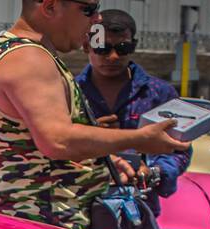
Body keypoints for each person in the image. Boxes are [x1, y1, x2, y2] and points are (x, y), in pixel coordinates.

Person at [0, 0, 187, 229]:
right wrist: (140, 138)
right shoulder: (28, 58)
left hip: (40, 227)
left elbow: (36, 142)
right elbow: (58, 140)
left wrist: (104, 160)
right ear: (50, 6)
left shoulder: (21, 52)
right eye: (88, 9)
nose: (97, 19)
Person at [76, 8, 190, 215]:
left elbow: (181, 148)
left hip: (139, 210)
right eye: (102, 48)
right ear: (86, 46)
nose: (112, 56)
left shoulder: (159, 93)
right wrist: (91, 136)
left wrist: (155, 172)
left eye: (122, 48)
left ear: (133, 46)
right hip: (81, 210)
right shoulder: (69, 91)